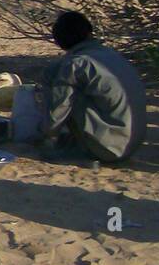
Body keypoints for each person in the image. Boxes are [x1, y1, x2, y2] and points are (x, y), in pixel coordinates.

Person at [38, 11, 147, 163]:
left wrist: (46, 135)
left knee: (62, 91)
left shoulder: (76, 64)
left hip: (108, 148)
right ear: (89, 32)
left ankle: (74, 146)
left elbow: (58, 109)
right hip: (132, 142)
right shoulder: (110, 54)